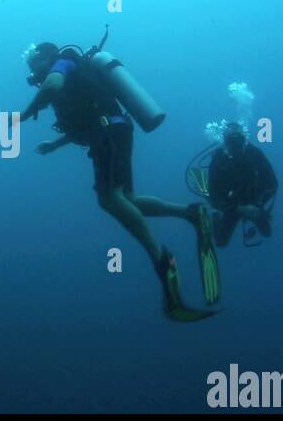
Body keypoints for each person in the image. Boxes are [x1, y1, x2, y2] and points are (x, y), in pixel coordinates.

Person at [19, 41, 219, 319]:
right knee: (127, 199)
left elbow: (53, 87)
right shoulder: (75, 72)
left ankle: (162, 262)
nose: (31, 72)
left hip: (107, 134)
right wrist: (56, 144)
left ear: (45, 56)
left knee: (108, 199)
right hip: (117, 130)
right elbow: (87, 118)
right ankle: (192, 214)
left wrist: (23, 115)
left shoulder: (62, 63)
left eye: (33, 63)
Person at [207, 122, 278, 247]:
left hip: (254, 202)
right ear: (225, 143)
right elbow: (213, 194)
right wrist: (239, 209)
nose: (235, 147)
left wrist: (258, 205)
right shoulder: (219, 158)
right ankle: (215, 217)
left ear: (244, 140)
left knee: (267, 232)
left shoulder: (255, 154)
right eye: (231, 143)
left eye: (238, 142)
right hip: (232, 203)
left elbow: (273, 184)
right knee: (221, 243)